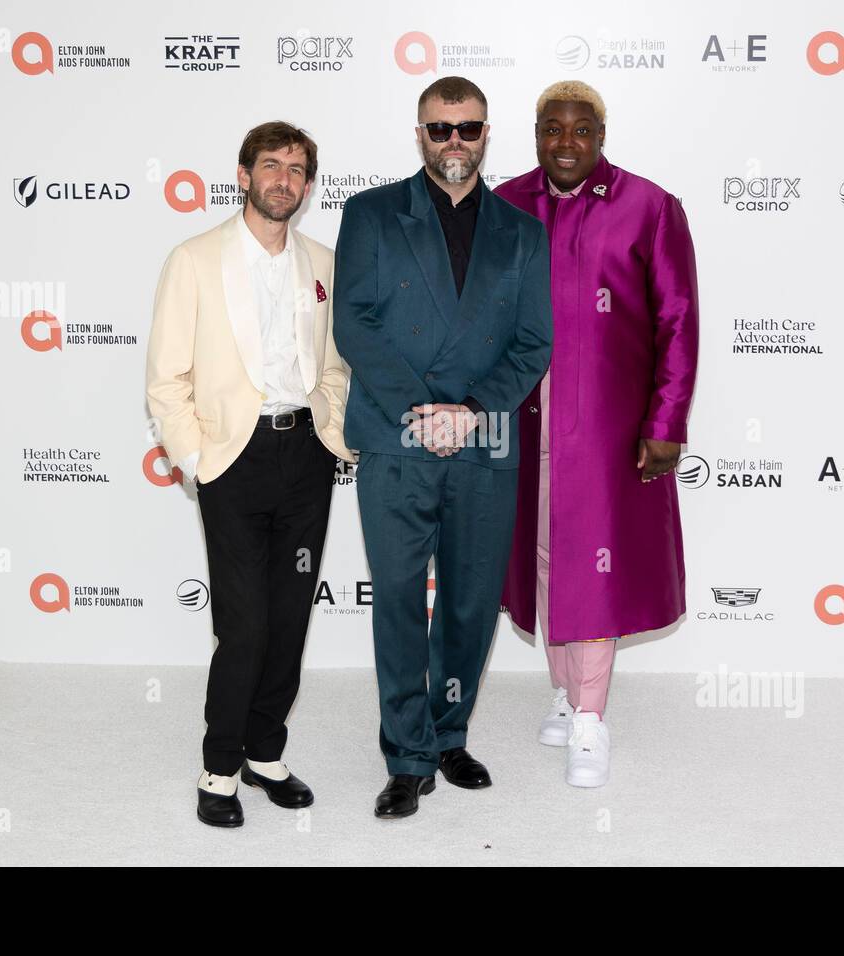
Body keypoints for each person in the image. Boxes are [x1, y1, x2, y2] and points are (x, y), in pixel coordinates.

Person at [333, 76, 552, 818]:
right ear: (419, 133)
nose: (454, 141)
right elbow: (354, 325)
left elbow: (533, 343)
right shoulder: (369, 214)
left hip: (483, 437)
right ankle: (407, 754)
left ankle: (449, 731)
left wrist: (469, 410)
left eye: (468, 128)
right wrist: (422, 409)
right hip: (397, 435)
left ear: (487, 133)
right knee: (397, 598)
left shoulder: (522, 231)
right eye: (439, 128)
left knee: (468, 601)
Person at [145, 121, 352, 827]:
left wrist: (329, 423)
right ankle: (219, 764)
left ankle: (266, 751)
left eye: (297, 170)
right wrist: (199, 459)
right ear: (243, 175)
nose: (283, 180)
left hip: (306, 458)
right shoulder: (195, 260)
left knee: (291, 612)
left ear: (308, 184)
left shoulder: (323, 262)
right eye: (271, 166)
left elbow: (335, 366)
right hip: (233, 459)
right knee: (245, 621)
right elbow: (166, 378)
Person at [495, 81, 700, 788]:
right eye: (552, 129)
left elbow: (678, 322)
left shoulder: (649, 208)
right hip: (526, 423)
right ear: (535, 135)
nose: (567, 143)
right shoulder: (506, 206)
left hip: (610, 428)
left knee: (597, 568)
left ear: (602, 135)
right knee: (544, 564)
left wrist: (666, 422)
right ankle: (564, 689)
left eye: (581, 130)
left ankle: (590, 716)